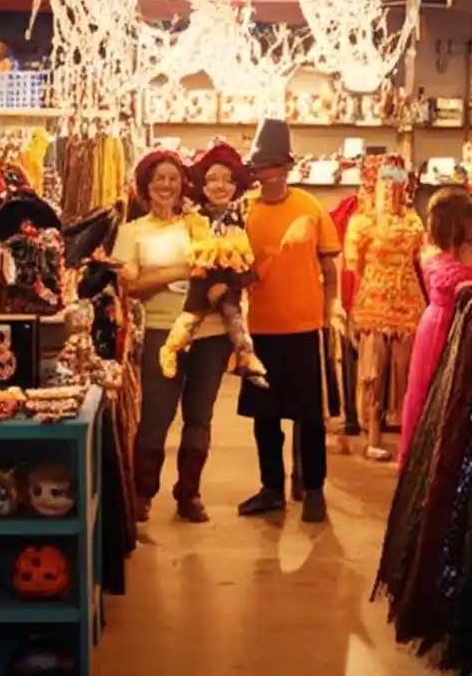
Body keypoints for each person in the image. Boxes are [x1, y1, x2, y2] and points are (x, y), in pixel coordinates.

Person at [111, 150, 231, 523]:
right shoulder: (132, 232)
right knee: (156, 417)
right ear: (146, 185)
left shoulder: (198, 225)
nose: (166, 185)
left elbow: (219, 270)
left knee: (200, 417)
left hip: (209, 333)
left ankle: (189, 492)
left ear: (183, 185)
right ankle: (143, 492)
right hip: (162, 333)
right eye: (159, 178)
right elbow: (129, 286)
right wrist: (180, 269)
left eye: (174, 179)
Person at [236, 119, 341, 523]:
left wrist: (332, 308)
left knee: (310, 415)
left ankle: (314, 490)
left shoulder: (310, 208)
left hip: (304, 327)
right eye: (263, 166)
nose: (270, 173)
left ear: (288, 166)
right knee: (265, 417)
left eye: (276, 165)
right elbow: (234, 265)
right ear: (256, 171)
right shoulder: (246, 212)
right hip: (260, 329)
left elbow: (329, 268)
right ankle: (271, 488)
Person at [396, 186, 472, 470]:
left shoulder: (437, 252)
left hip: (439, 324)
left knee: (430, 396)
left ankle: (425, 465)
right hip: (446, 328)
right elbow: (468, 283)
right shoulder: (453, 260)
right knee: (437, 396)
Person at [158, 142, 267, 387]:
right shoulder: (191, 220)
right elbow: (184, 258)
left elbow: (247, 256)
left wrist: (231, 284)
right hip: (198, 285)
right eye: (213, 179)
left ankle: (245, 356)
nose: (220, 186)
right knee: (191, 317)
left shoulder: (242, 217)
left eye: (228, 180)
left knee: (235, 317)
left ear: (237, 185)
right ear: (203, 185)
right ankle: (170, 349)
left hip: (229, 294)